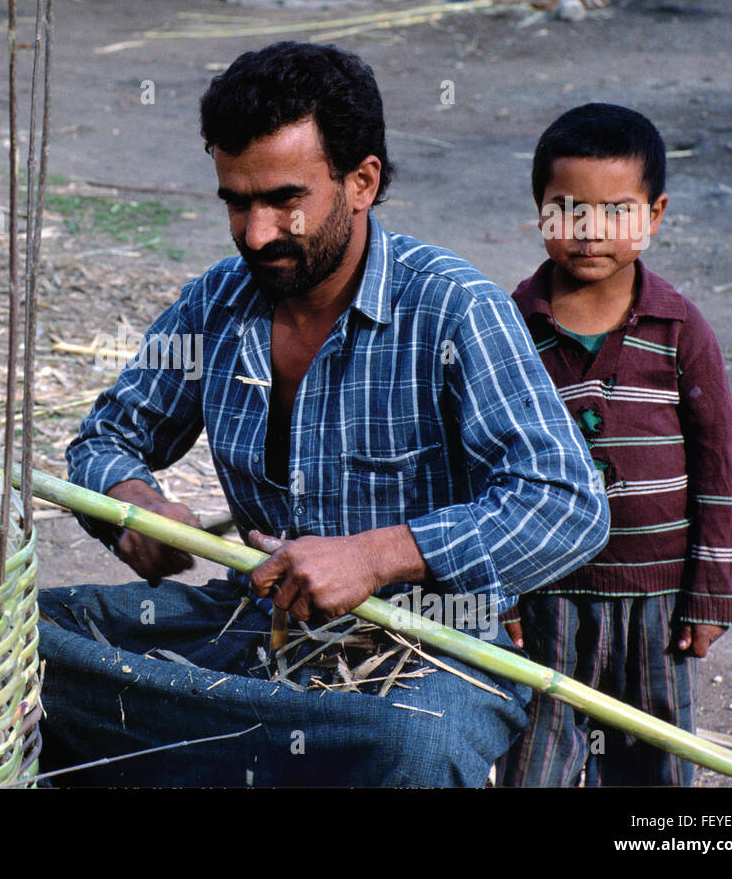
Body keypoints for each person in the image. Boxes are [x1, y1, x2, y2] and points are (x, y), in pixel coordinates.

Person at [37, 42, 609, 787]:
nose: (255, 233)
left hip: (430, 650)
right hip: (253, 628)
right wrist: (131, 506)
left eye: (283, 199)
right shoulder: (217, 303)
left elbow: (569, 504)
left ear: (362, 180)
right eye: (236, 201)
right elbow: (107, 438)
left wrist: (376, 555)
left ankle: (226, 739)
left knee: (403, 749)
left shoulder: (451, 308)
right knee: (13, 638)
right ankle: (237, 735)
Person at [498, 103, 732, 787]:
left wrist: (713, 594)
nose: (589, 231)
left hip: (657, 601)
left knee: (653, 759)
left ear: (655, 214)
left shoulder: (679, 328)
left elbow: (719, 467)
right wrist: (503, 595)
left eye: (615, 211)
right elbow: (489, 465)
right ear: (539, 209)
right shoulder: (510, 329)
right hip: (547, 591)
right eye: (567, 208)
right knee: (535, 757)